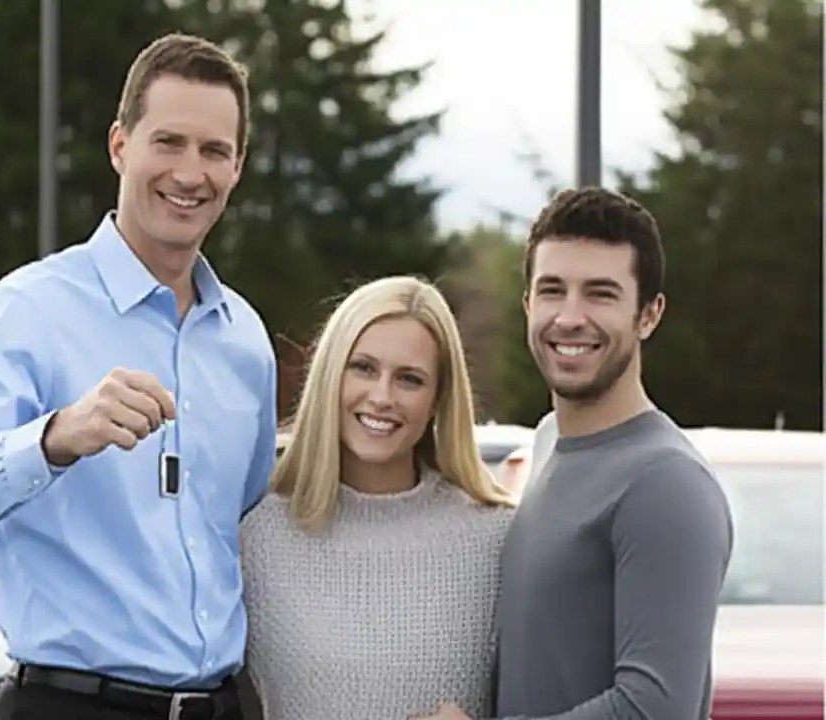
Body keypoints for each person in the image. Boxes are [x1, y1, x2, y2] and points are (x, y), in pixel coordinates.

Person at [0, 32, 277, 720]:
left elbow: (245, 521)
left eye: (214, 150)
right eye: (169, 142)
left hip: (224, 706)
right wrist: (54, 437)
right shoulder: (30, 307)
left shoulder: (245, 340)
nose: (191, 173)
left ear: (238, 165)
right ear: (118, 145)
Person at [413, 187, 733, 720]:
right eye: (553, 290)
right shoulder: (545, 442)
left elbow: (653, 709)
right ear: (527, 305)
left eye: (601, 294)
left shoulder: (667, 484)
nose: (569, 316)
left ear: (649, 315)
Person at [239, 275, 516, 720]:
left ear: (437, 400)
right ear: (331, 374)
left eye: (409, 379)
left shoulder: (497, 539)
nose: (382, 397)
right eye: (364, 368)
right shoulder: (257, 537)